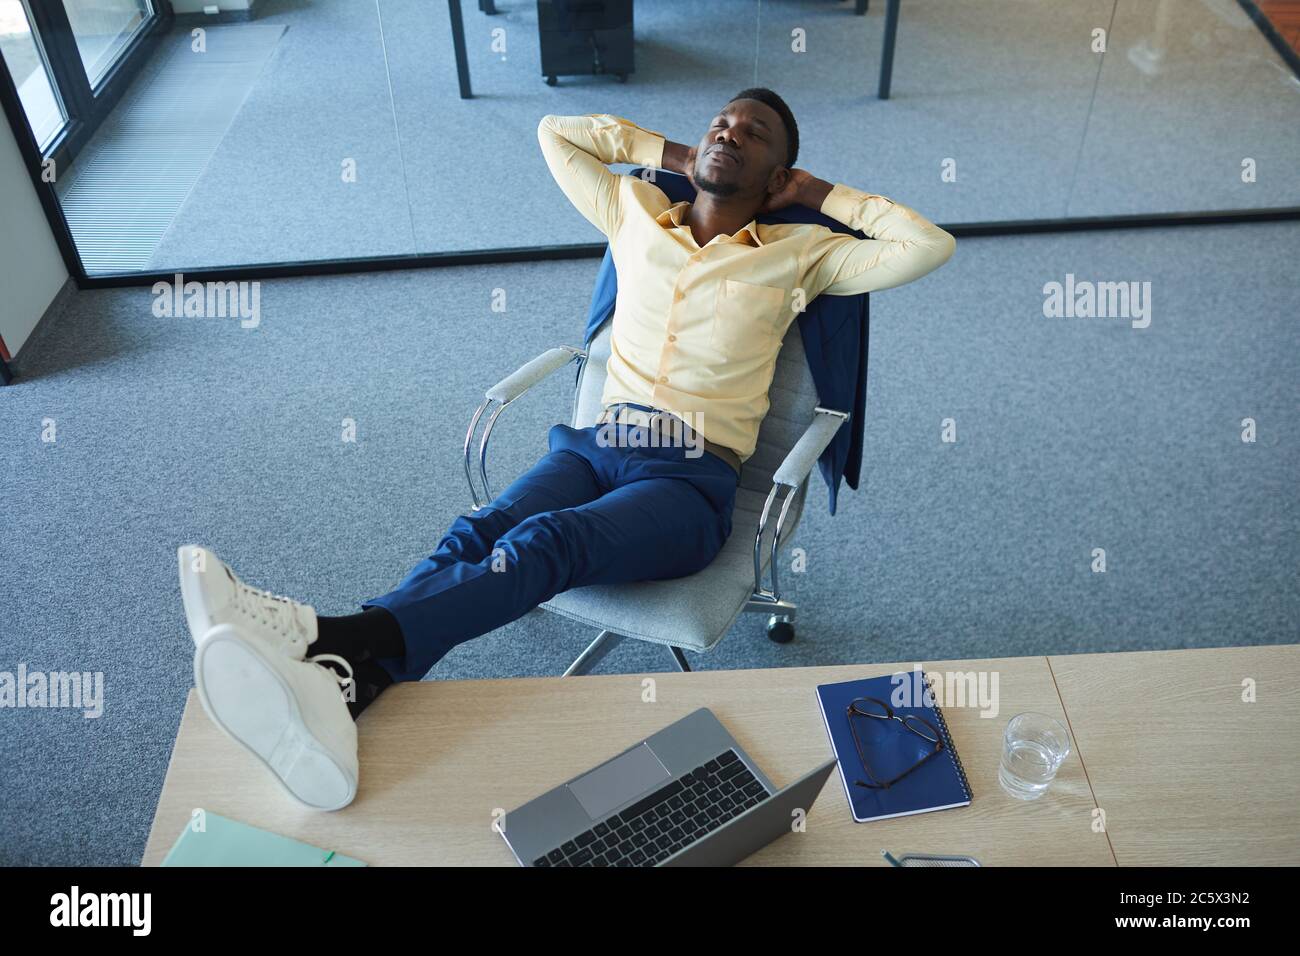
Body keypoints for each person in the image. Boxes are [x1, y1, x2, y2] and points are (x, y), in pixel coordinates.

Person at [179, 88, 955, 811]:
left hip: (689, 486)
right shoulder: (636, 210)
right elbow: (558, 134)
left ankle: (330, 639)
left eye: (753, 135)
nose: (730, 132)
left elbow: (926, 245)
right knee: (479, 531)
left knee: (545, 541)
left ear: (777, 172)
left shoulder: (797, 254)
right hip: (596, 445)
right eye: (721, 122)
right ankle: (353, 680)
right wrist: (674, 155)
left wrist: (819, 196)